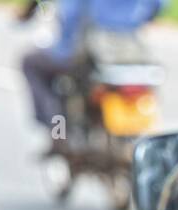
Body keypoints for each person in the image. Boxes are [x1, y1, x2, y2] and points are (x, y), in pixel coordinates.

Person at [19, 0, 165, 140]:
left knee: (32, 63)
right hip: (132, 51)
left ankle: (58, 133)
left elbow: (70, 13)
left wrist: (63, 46)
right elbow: (158, 4)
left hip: (91, 51)